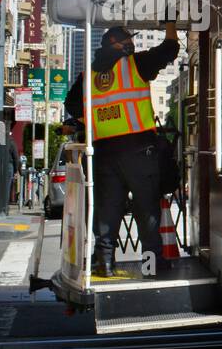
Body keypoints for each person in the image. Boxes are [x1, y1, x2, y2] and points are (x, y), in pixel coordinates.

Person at [65, 24, 179, 277]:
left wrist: (91, 120)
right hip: (138, 149)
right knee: (146, 209)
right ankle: (152, 265)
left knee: (107, 209)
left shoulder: (88, 76)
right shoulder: (134, 65)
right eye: (127, 40)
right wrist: (170, 24)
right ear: (114, 43)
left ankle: (105, 263)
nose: (132, 44)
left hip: (104, 151)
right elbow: (170, 49)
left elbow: (72, 104)